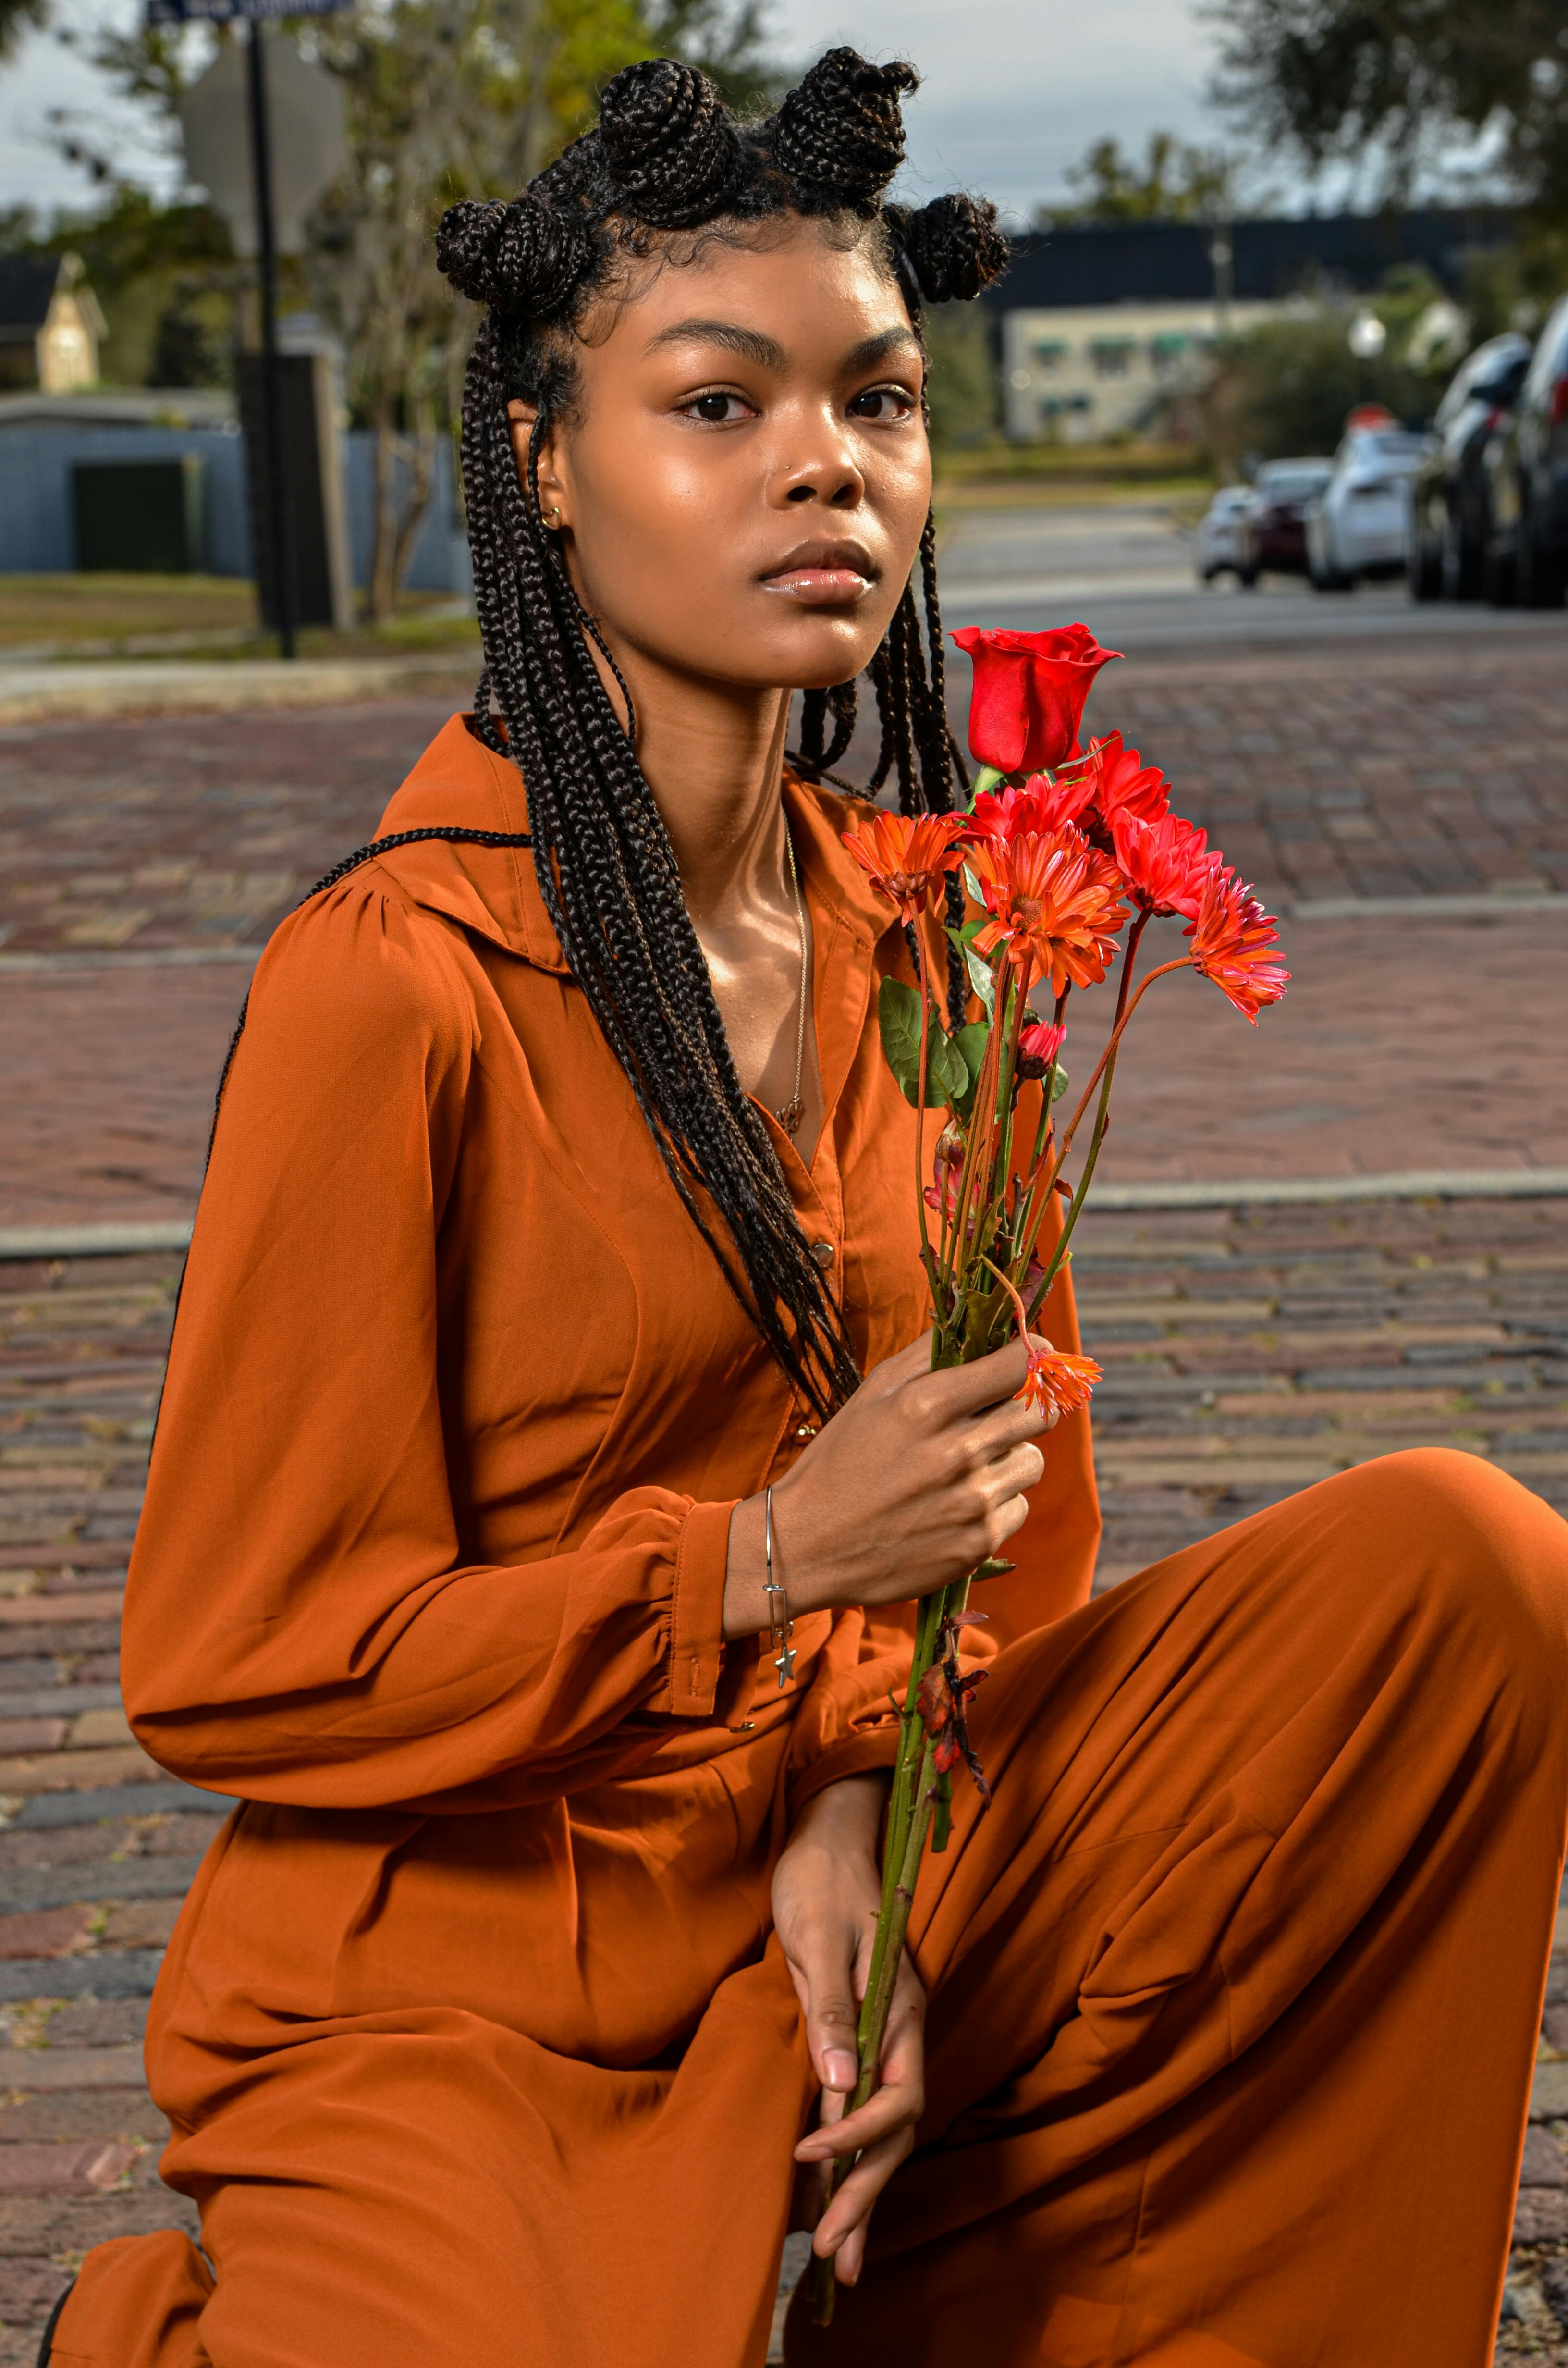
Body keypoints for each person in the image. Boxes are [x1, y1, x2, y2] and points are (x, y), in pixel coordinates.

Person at [46, 50, 1568, 2368]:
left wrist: (852, 1784)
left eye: (874, 399)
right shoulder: (395, 982)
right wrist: (761, 1563)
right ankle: (162, 2329)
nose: (821, 464)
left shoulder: (934, 933)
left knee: (1468, 1580)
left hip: (858, 1839)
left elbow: (1008, 1523)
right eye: (719, 403)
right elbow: (234, 1649)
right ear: (549, 461)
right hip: (478, 1963)